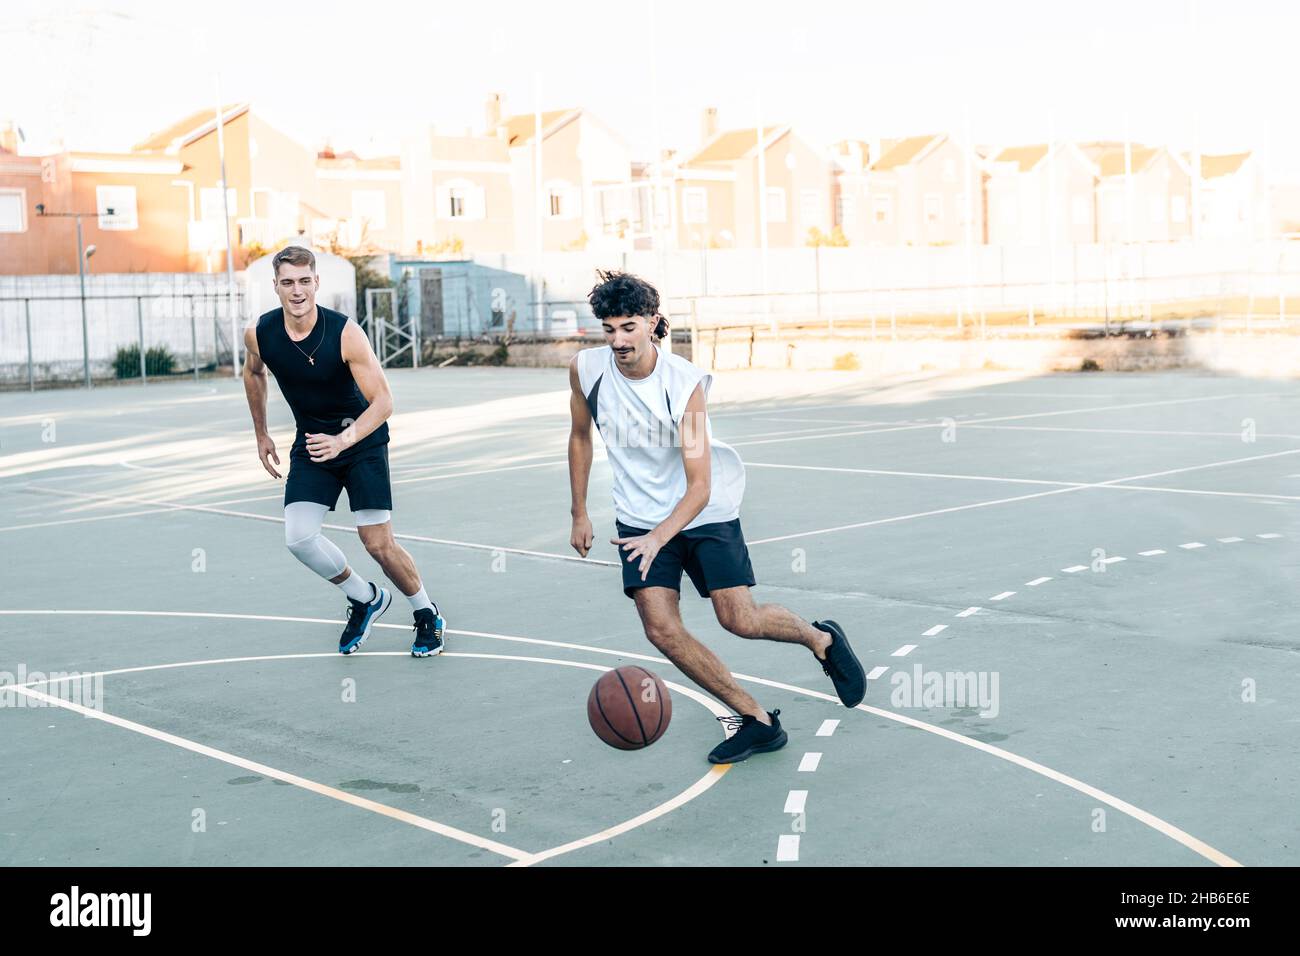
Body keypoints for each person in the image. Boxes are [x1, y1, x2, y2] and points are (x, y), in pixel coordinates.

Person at [567, 270, 866, 764]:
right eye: (609, 329)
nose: (618, 340)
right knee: (661, 630)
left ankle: (821, 639)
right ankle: (757, 721)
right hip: (638, 517)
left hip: (703, 513)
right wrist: (579, 511)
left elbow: (700, 486)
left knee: (739, 620)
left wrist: (660, 538)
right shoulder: (586, 369)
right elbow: (580, 435)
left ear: (652, 323)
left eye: (629, 327)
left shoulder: (684, 384)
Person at [241, 245, 445, 657]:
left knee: (377, 544)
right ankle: (365, 597)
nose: (296, 290)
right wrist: (262, 433)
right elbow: (253, 373)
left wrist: (344, 441)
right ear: (275, 286)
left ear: (316, 282)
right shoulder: (260, 333)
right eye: (287, 282)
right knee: (299, 538)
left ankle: (426, 614)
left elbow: (384, 402)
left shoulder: (345, 333)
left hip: (361, 442)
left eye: (304, 281)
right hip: (313, 444)